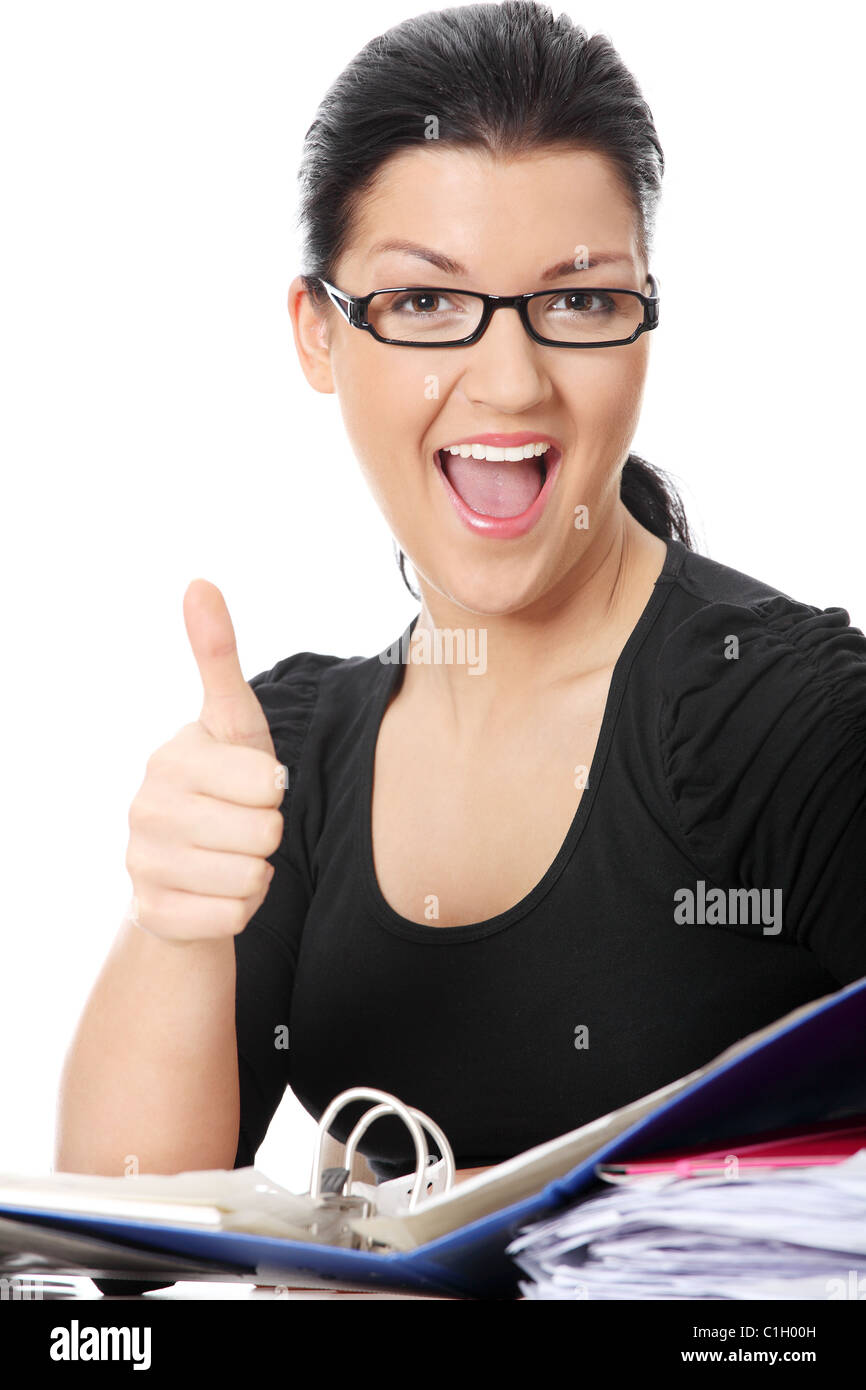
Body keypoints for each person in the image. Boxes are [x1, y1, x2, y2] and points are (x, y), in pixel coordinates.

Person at [55, 2, 865, 1192]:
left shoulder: (786, 721)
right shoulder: (290, 755)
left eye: (577, 300)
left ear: (643, 322)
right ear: (318, 338)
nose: (507, 378)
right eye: (424, 302)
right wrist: (173, 923)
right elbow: (120, 1240)